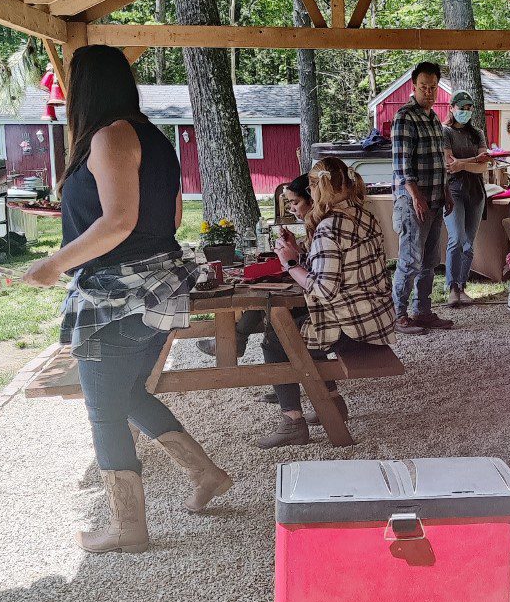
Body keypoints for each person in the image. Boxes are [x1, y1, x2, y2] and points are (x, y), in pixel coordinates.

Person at [23, 45, 231, 555]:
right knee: (130, 393)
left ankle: (127, 527)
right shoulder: (153, 138)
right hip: (154, 289)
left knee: (104, 410)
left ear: (84, 87)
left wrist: (54, 264)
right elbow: (174, 216)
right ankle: (206, 473)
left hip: (119, 298)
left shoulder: (110, 135)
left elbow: (118, 222)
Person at [257, 156, 396, 448]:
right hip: (377, 321)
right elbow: (338, 271)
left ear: (317, 189)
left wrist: (291, 262)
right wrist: (301, 255)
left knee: (277, 338)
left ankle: (292, 422)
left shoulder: (329, 227)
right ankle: (332, 404)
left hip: (352, 330)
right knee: (304, 325)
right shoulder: (363, 214)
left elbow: (324, 289)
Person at [197, 174, 312, 362]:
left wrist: (291, 262)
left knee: (270, 317)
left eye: (295, 202)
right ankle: (236, 341)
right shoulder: (315, 226)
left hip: (316, 305)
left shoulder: (324, 229)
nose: (291, 208)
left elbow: (316, 277)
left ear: (312, 199)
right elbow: (312, 263)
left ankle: (235, 342)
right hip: (312, 294)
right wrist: (295, 249)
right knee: (263, 295)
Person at [390, 61, 454, 334]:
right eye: (423, 87)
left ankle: (423, 310)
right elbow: (403, 166)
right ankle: (398, 313)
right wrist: (416, 197)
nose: (429, 92)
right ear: (413, 87)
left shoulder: (433, 118)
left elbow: (440, 161)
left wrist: (446, 192)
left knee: (430, 260)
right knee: (410, 259)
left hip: (436, 198)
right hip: (414, 201)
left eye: (433, 87)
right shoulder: (405, 117)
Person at [442, 90, 489, 307]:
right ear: (452, 108)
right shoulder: (446, 132)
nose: (466, 111)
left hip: (476, 191)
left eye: (469, 108)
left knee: (469, 242)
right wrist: (471, 161)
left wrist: (463, 164)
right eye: (462, 107)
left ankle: (462, 286)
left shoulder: (477, 133)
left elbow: (483, 166)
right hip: (453, 190)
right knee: (457, 238)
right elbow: (449, 164)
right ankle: (451, 286)